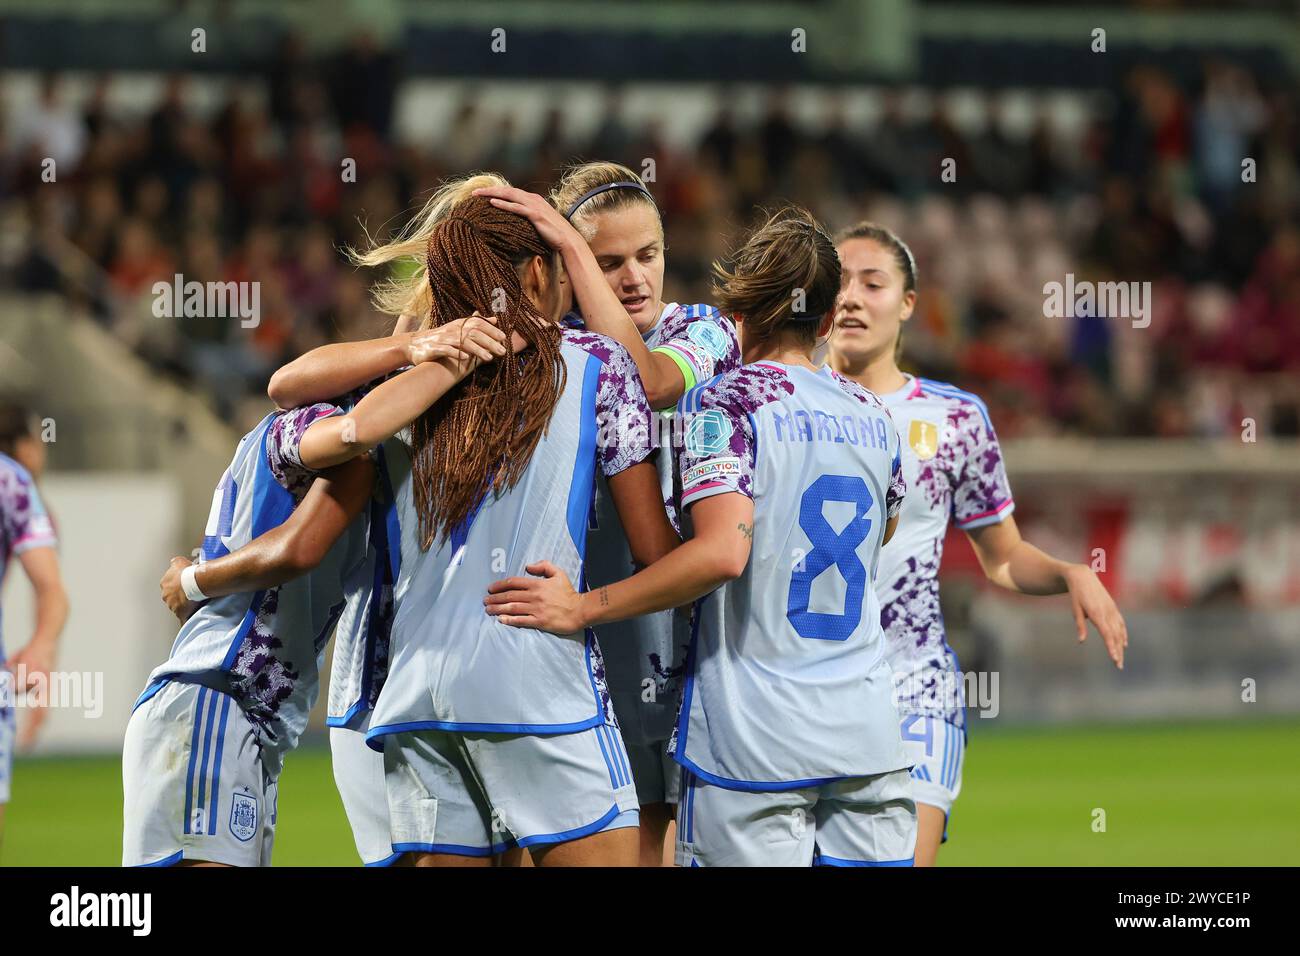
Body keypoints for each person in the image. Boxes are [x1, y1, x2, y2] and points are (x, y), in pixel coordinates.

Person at [486, 208, 917, 866]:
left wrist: (582, 606)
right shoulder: (874, 414)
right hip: (870, 734)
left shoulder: (729, 402)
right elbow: (879, 535)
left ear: (736, 311)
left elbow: (721, 553)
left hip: (758, 738)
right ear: (828, 320)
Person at [123, 312, 498, 867]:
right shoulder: (315, 427)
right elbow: (302, 542)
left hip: (236, 716)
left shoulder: (294, 439)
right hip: (219, 703)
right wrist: (194, 582)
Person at [825, 221, 1129, 866]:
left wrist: (1071, 571)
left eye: (872, 283)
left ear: (909, 303)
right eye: (839, 282)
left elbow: (1004, 556)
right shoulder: (775, 402)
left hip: (914, 686)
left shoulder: (955, 417)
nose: (851, 297)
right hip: (803, 686)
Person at [476, 162, 742, 864]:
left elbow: (648, 381)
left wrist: (571, 248)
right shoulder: (535, 345)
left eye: (648, 255)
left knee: (652, 830)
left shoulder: (705, 331)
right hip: (541, 619)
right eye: (608, 261)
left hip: (659, 621)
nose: (634, 278)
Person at [0, 403, 68, 851]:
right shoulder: (14, 483)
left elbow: (49, 595)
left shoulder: (13, 486)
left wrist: (41, 653)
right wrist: (42, 655)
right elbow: (51, 593)